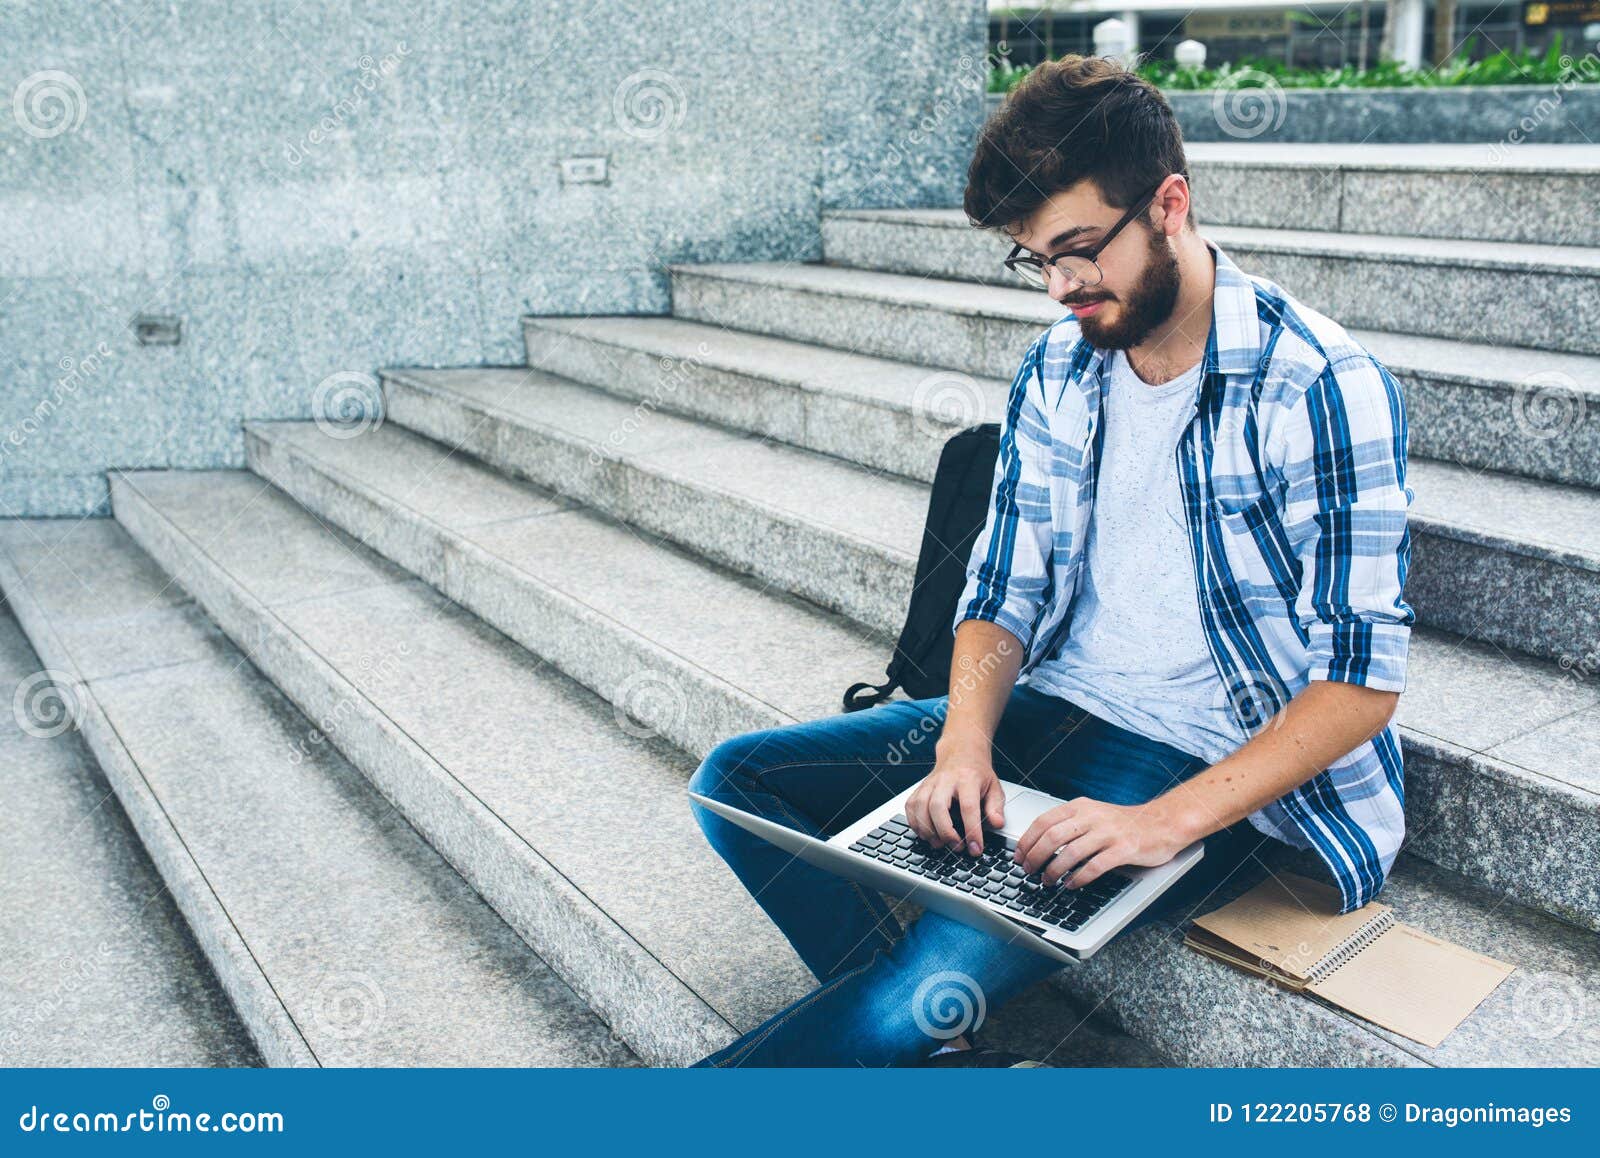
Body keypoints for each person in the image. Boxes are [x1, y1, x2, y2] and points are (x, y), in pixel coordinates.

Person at [686, 54, 1412, 1069]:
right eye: (1034, 258)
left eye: (1076, 248)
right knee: (735, 784)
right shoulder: (1060, 368)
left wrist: (1164, 823)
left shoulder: (1320, 386)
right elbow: (999, 589)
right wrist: (963, 746)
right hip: (1054, 706)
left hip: (1202, 753)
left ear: (1168, 204)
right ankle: (950, 1061)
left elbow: (1361, 680)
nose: (1060, 285)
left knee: (916, 991)